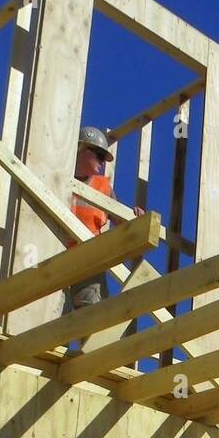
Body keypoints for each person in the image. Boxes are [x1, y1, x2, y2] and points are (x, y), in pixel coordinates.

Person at [66, 125, 144, 312]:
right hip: (54, 258)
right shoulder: (57, 177)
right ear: (82, 149)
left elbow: (121, 222)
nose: (102, 163)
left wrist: (136, 219)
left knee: (94, 317)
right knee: (52, 322)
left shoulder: (103, 187)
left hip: (88, 263)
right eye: (99, 156)